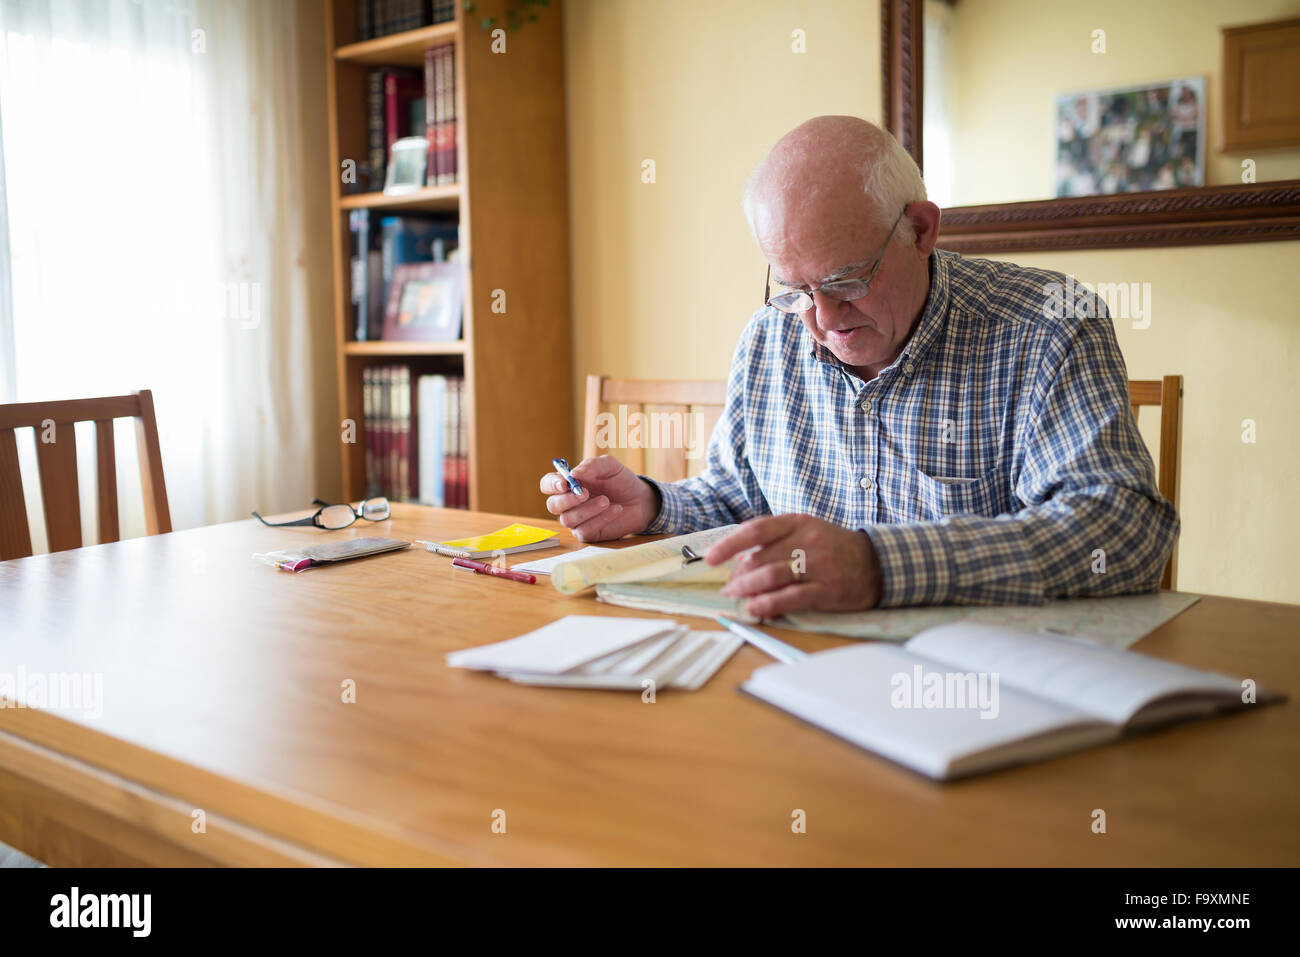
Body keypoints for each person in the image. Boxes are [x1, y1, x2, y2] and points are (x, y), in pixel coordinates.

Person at [540, 115, 1178, 619]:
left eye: (846, 279)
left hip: (981, 687)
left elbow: (1121, 533)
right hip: (800, 671)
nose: (820, 318)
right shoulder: (771, 335)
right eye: (795, 287)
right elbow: (742, 496)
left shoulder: (1048, 325)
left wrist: (882, 565)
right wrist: (652, 506)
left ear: (922, 231)